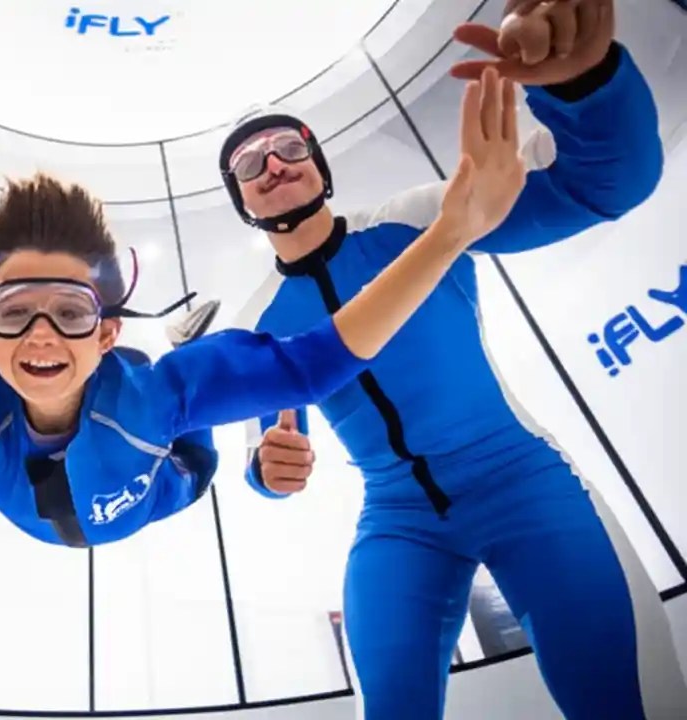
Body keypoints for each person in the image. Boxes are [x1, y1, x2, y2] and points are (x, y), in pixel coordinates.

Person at [0, 66, 524, 550]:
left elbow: (315, 359)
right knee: (192, 384)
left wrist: (447, 236)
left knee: (195, 392)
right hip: (67, 498)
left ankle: (196, 339)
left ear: (107, 329)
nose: (41, 337)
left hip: (170, 471)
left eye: (69, 312)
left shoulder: (153, 391)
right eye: (14, 311)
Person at [219, 1, 687, 718]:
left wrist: (584, 85)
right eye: (250, 163)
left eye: (287, 145)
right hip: (396, 521)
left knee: (626, 704)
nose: (273, 163)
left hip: (521, 481)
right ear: (242, 201)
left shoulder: (415, 218)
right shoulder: (256, 321)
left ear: (318, 162)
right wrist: (265, 473)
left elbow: (604, 186)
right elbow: (273, 453)